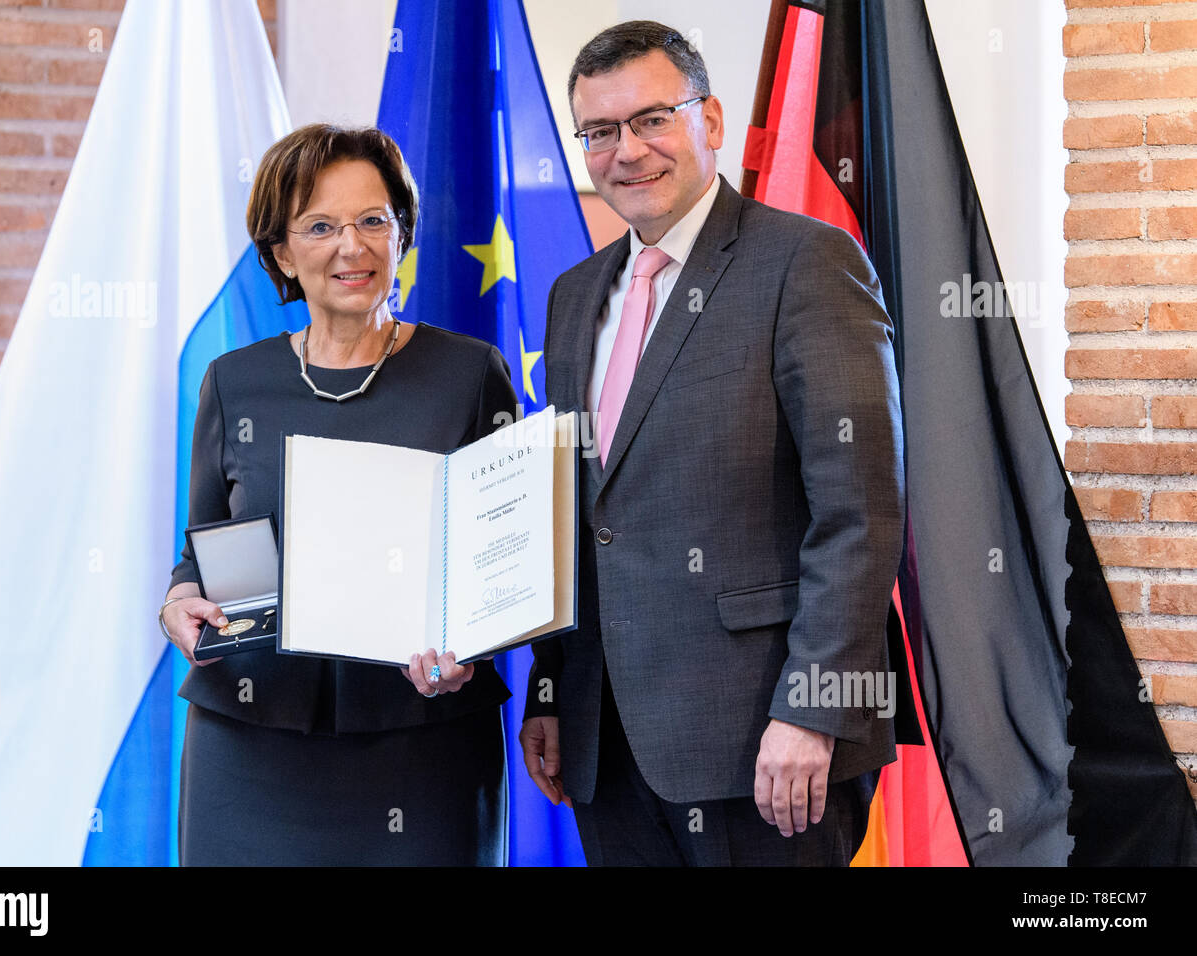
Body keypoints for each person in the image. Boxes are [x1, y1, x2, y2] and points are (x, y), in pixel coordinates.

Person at [518, 21, 905, 866]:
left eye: (652, 119)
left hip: (766, 743)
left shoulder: (807, 263)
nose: (628, 151)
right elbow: (578, 517)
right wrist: (550, 689)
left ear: (712, 119)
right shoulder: (574, 295)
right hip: (604, 743)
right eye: (600, 131)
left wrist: (811, 709)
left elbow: (861, 510)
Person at [159, 124, 516, 865]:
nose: (350, 248)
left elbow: (505, 562)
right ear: (283, 252)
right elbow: (199, 552)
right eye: (320, 226)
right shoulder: (233, 382)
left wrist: (475, 649)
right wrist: (178, 602)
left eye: (372, 221)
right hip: (250, 740)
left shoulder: (470, 374)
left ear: (402, 234)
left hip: (423, 742)